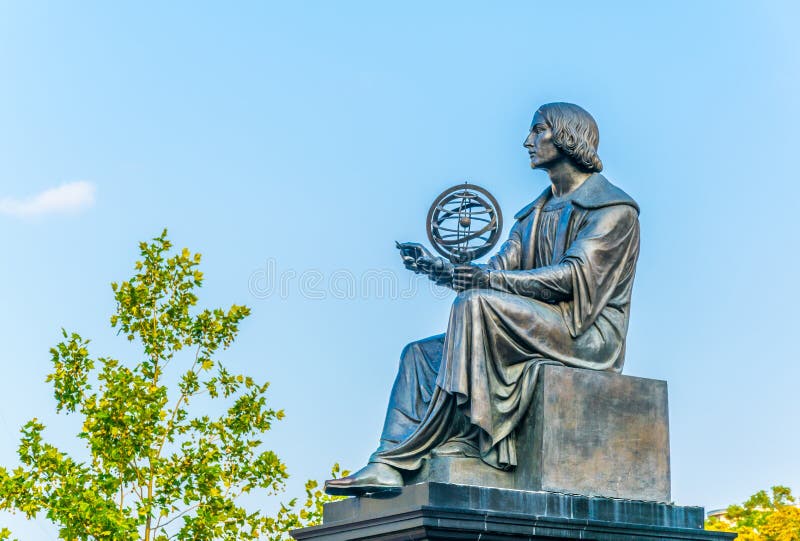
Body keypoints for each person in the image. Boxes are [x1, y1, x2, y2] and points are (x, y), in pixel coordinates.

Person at [325, 102, 640, 496]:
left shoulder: (612, 210)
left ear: (566, 136)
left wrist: (487, 279)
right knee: (420, 355)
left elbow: (572, 278)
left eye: (537, 131)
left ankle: (451, 444)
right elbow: (496, 270)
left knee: (474, 305)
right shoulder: (533, 215)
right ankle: (388, 462)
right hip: (535, 324)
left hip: (585, 332)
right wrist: (439, 269)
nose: (528, 141)